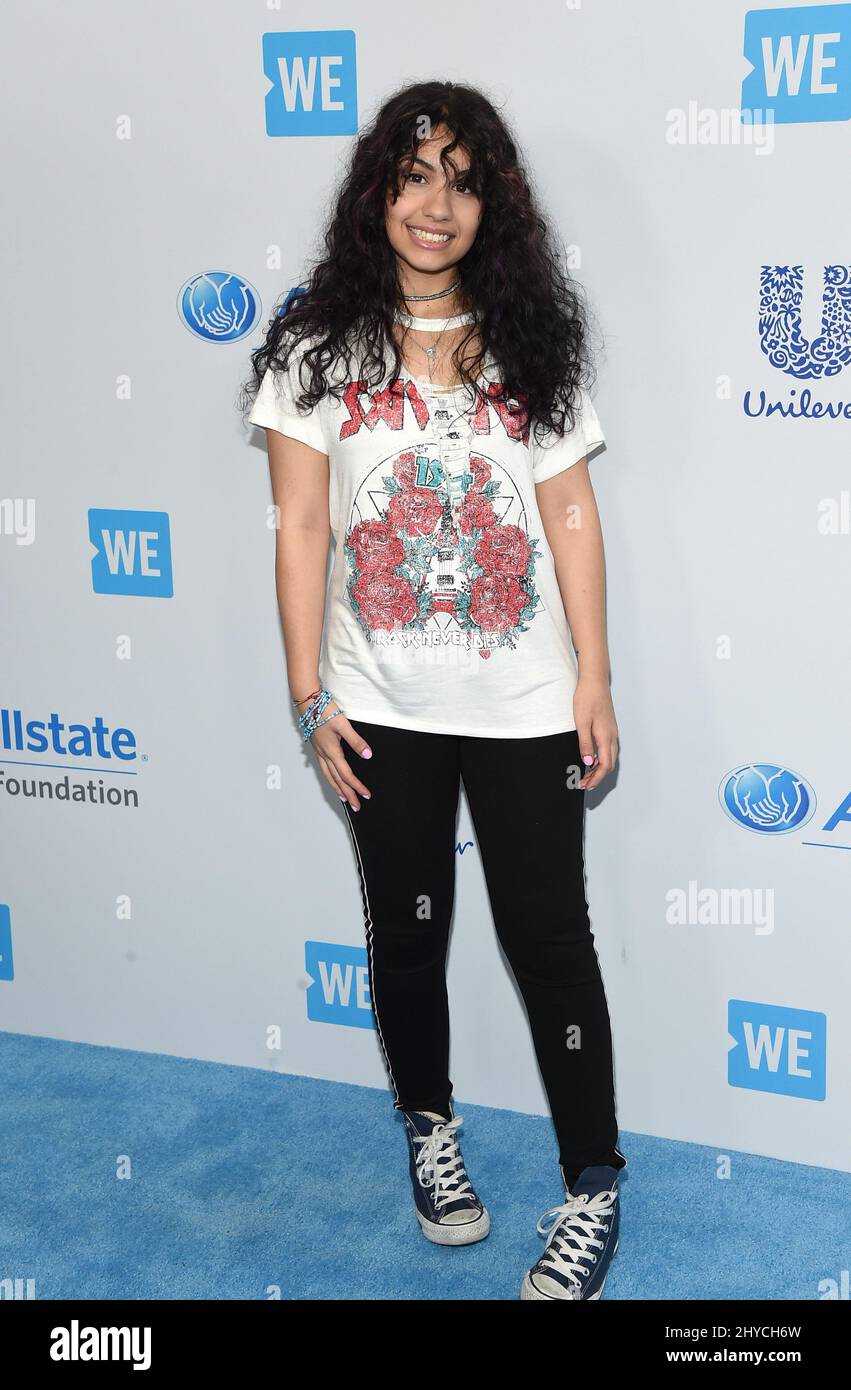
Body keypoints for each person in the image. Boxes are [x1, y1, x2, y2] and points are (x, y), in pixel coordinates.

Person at [241, 79, 627, 1301]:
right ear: (377, 190)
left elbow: (568, 511)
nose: (435, 203)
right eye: (415, 175)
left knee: (548, 942)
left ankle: (591, 1186)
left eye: (462, 180)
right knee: (407, 938)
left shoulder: (531, 336)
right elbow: (300, 520)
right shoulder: (316, 347)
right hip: (379, 699)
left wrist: (595, 681)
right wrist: (308, 695)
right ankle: (430, 1129)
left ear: (489, 203)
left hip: (522, 700)